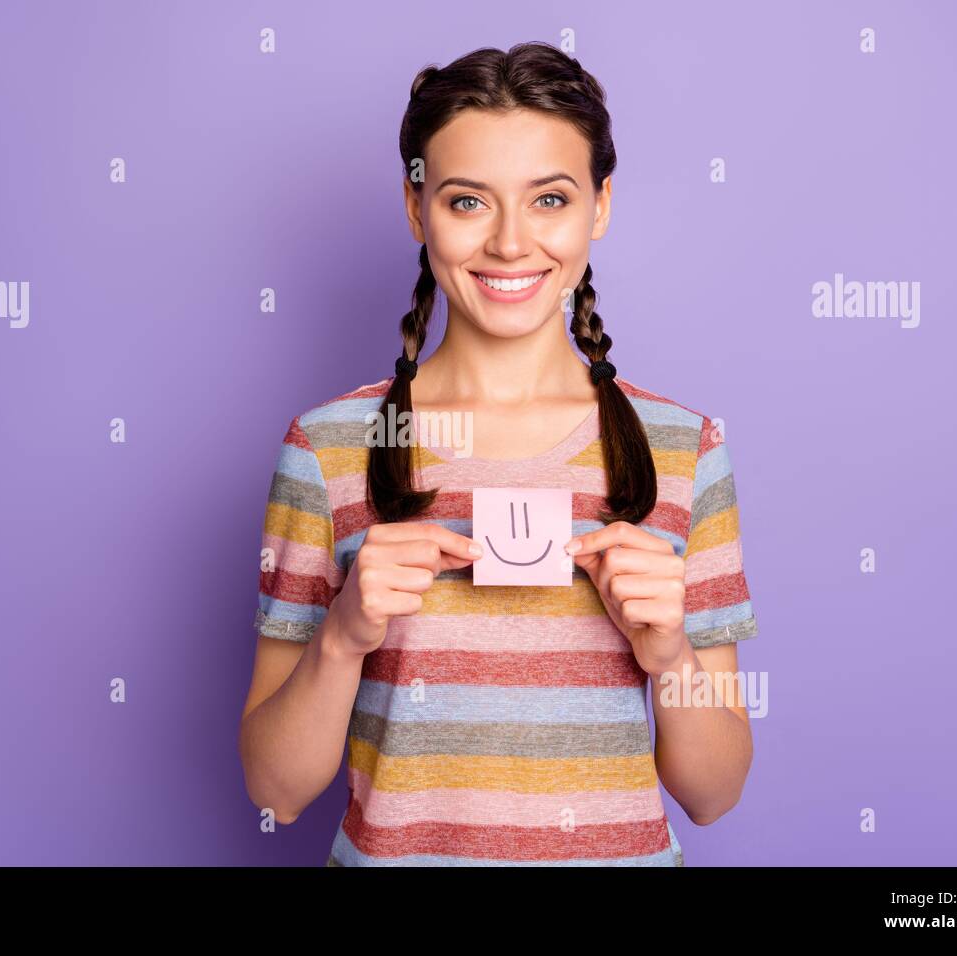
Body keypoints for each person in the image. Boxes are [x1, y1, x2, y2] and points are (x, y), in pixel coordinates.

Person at [238, 41, 759, 866]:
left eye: (550, 198)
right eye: (468, 201)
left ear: (600, 206)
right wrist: (342, 635)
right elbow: (277, 789)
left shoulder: (684, 449)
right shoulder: (330, 448)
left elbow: (714, 792)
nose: (512, 244)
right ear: (417, 210)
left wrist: (669, 653)